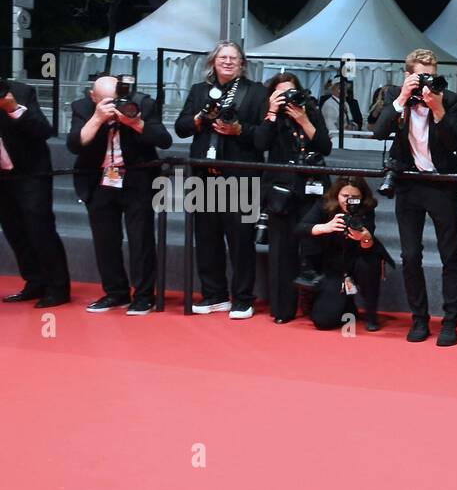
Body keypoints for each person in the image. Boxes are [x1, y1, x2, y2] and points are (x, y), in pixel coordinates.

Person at [371, 49, 457, 345]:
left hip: (442, 184)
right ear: (408, 75)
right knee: (410, 255)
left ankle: (450, 321)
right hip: (409, 184)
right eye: (420, 74)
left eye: (431, 74)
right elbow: (378, 132)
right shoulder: (396, 99)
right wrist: (402, 98)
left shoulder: (449, 99)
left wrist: (437, 109)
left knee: (450, 255)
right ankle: (419, 319)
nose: (427, 80)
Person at [174, 40, 269, 318]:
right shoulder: (199, 91)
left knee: (241, 240)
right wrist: (199, 118)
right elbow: (180, 129)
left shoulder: (256, 92)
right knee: (206, 239)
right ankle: (214, 294)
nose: (227, 62)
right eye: (222, 57)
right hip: (204, 175)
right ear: (213, 62)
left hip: (240, 175)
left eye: (233, 58)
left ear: (242, 64)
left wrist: (239, 129)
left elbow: (264, 136)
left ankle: (243, 298)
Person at [66, 74, 172, 314]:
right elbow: (75, 144)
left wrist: (135, 123)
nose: (113, 105)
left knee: (141, 239)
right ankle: (115, 293)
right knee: (105, 241)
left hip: (138, 180)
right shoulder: (82, 108)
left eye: (116, 99)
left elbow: (163, 140)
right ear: (93, 97)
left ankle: (144, 296)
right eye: (106, 101)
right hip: (98, 181)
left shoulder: (142, 104)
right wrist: (97, 118)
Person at [253, 72, 332, 324]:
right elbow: (259, 144)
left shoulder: (310, 110)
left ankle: (316, 304)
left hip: (312, 187)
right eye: (281, 93)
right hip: (280, 190)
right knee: (281, 251)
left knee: (314, 246)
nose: (287, 98)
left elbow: (324, 146)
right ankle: (282, 309)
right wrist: (272, 112)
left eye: (291, 92)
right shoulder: (269, 114)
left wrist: (304, 119)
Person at [0, 78, 70, 308]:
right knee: (14, 230)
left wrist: (13, 109)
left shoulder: (20, 91)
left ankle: (57, 287)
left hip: (31, 171)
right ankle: (35, 281)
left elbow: (44, 130)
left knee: (39, 226)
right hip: (2, 176)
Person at [295, 177, 393, 331]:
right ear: (336, 195)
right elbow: (300, 229)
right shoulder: (324, 205)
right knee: (323, 321)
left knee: (368, 264)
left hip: (360, 260)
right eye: (345, 196)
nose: (349, 201)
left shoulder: (366, 209)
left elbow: (368, 244)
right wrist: (325, 227)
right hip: (333, 266)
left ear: (362, 198)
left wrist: (365, 238)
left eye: (355, 198)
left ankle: (371, 315)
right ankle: (346, 304)